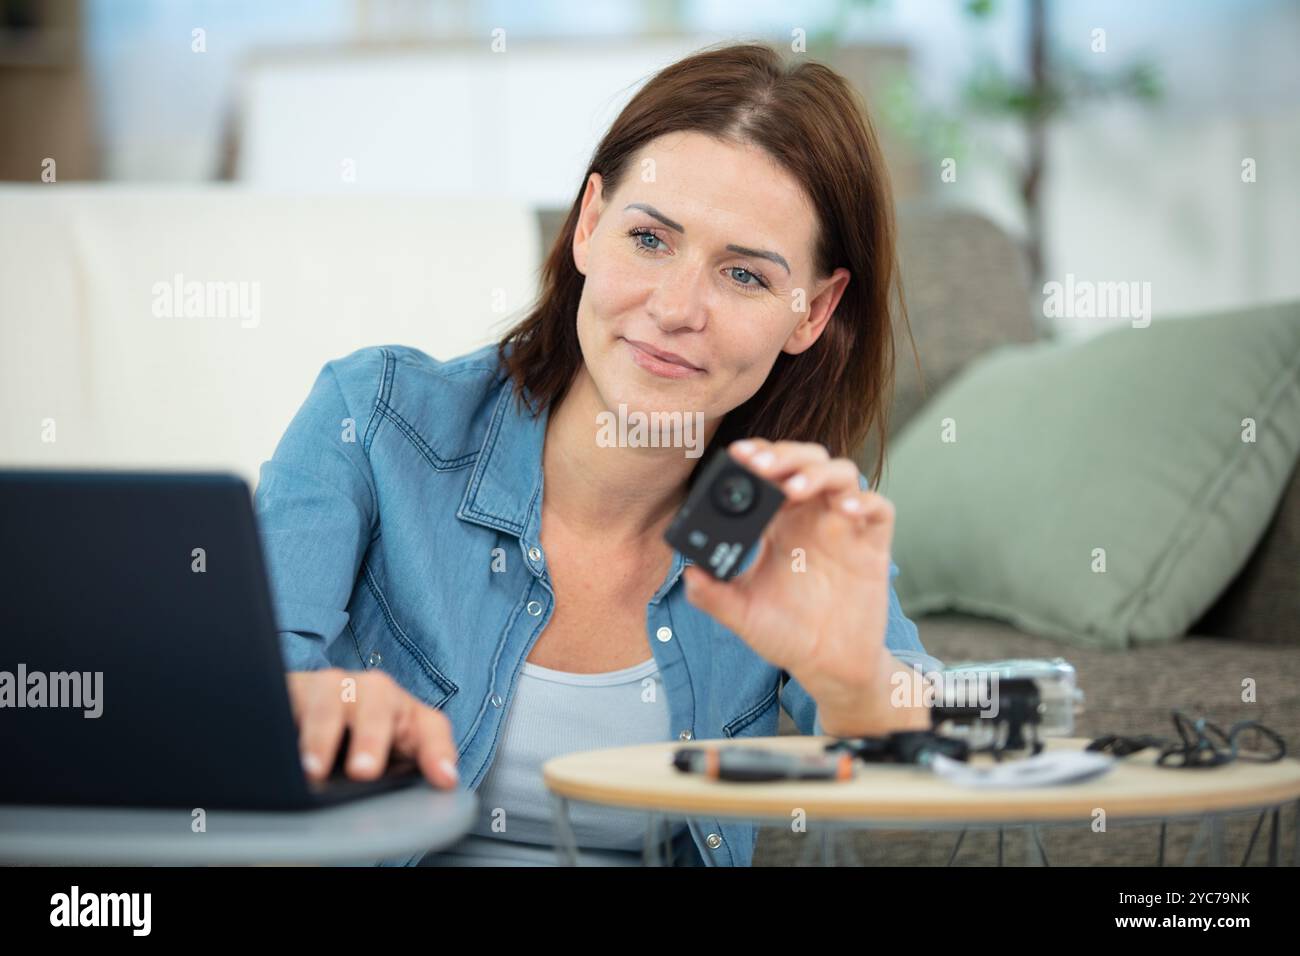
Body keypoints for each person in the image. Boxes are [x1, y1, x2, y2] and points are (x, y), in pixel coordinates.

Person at [256, 41, 943, 867]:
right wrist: (308, 702)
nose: (676, 308)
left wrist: (859, 688)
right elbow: (230, 691)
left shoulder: (788, 515)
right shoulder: (373, 421)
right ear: (588, 224)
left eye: (746, 277)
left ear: (814, 311)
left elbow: (942, 732)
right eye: (650, 239)